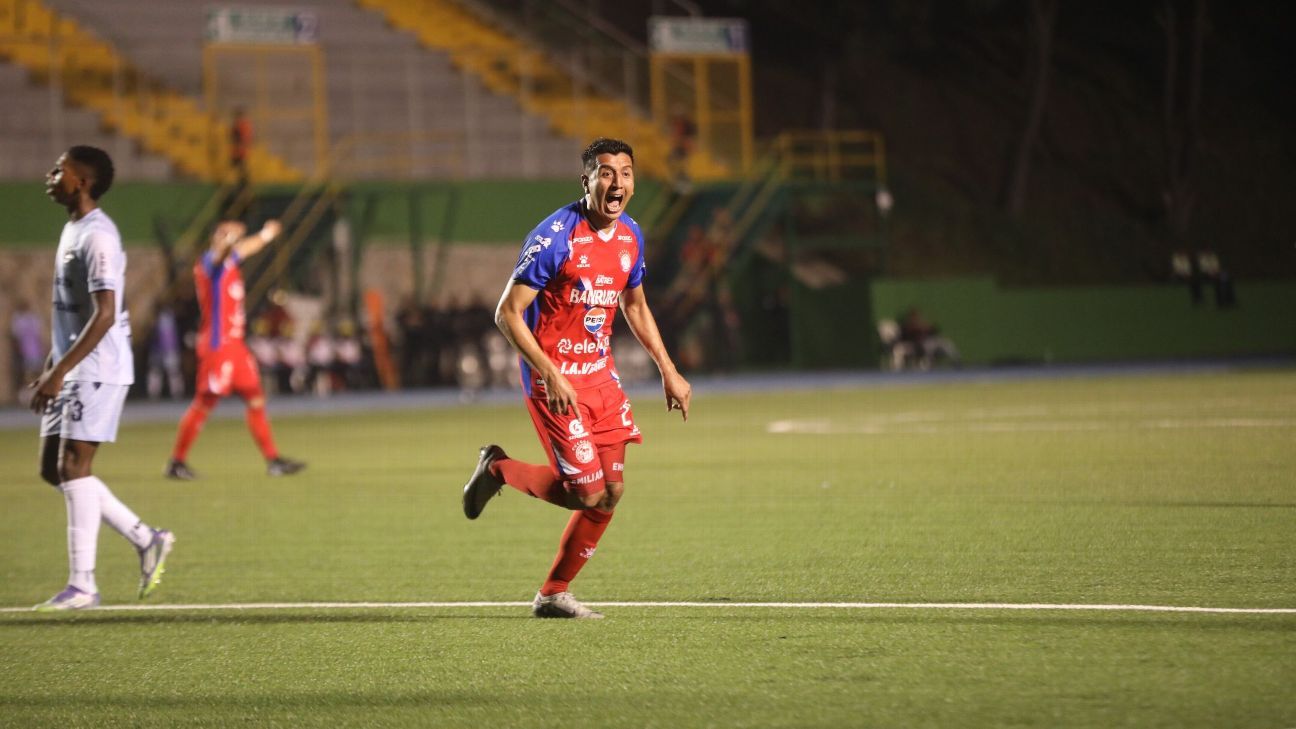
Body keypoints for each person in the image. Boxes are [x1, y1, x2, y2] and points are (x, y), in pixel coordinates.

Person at [461, 138, 692, 619]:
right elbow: (508, 314)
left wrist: (668, 370)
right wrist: (551, 373)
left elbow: (635, 305)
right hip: (554, 382)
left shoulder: (630, 235)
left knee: (611, 491)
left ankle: (552, 594)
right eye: (606, 173)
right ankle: (497, 468)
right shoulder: (554, 237)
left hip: (601, 379)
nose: (617, 183)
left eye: (626, 173)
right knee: (584, 493)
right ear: (586, 181)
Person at [29, 145, 175, 611]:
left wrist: (62, 369)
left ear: (83, 181)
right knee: (52, 469)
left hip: (98, 368)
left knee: (74, 468)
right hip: (73, 366)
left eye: (60, 170)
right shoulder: (73, 228)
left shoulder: (98, 236)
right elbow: (69, 315)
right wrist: (52, 366)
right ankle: (145, 537)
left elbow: (106, 313)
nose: (51, 175)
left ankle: (83, 585)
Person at [165, 218, 306, 480]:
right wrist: (228, 241)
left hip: (236, 346)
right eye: (226, 235)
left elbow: (245, 248)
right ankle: (176, 462)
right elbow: (222, 254)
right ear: (217, 238)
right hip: (218, 346)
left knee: (256, 398)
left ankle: (273, 460)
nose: (234, 241)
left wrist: (265, 235)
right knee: (205, 402)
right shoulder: (209, 263)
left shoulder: (230, 262)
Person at [10, 299, 45, 400]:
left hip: (34, 349)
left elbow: (39, 335)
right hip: (24, 349)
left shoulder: (33, 318)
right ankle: (26, 393)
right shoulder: (18, 318)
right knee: (26, 372)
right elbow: (16, 336)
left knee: (36, 370)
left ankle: (36, 389)